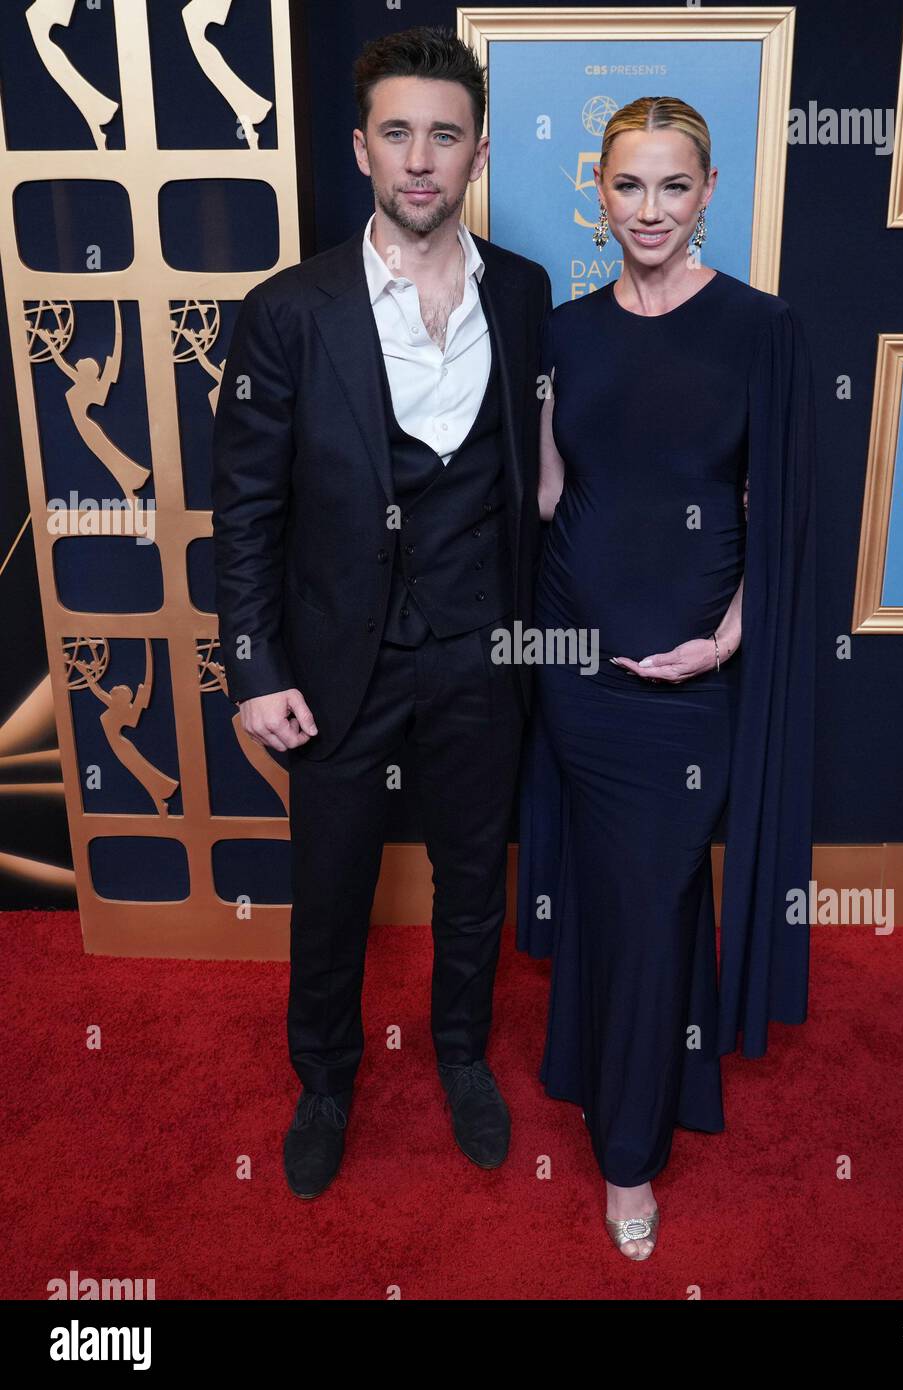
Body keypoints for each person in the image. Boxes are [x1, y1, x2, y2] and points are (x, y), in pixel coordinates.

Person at [212, 27, 551, 1198]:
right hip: (335, 660)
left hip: (477, 655)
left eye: (443, 135)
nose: (420, 158)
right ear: (360, 148)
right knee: (332, 887)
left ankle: (461, 1053)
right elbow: (244, 509)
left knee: (473, 878)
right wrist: (253, 666)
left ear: (477, 152)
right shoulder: (288, 310)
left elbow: (536, 478)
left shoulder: (523, 289)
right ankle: (326, 1077)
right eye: (397, 133)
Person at [516, 96, 817, 1259]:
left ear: (709, 192)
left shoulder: (759, 331)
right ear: (599, 189)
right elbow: (551, 494)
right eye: (628, 186)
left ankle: (627, 1158)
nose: (650, 210)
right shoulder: (568, 332)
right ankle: (649, 1084)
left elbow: (778, 515)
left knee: (645, 898)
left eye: (673, 187)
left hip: (691, 682)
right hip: (576, 672)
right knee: (625, 896)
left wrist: (726, 641)